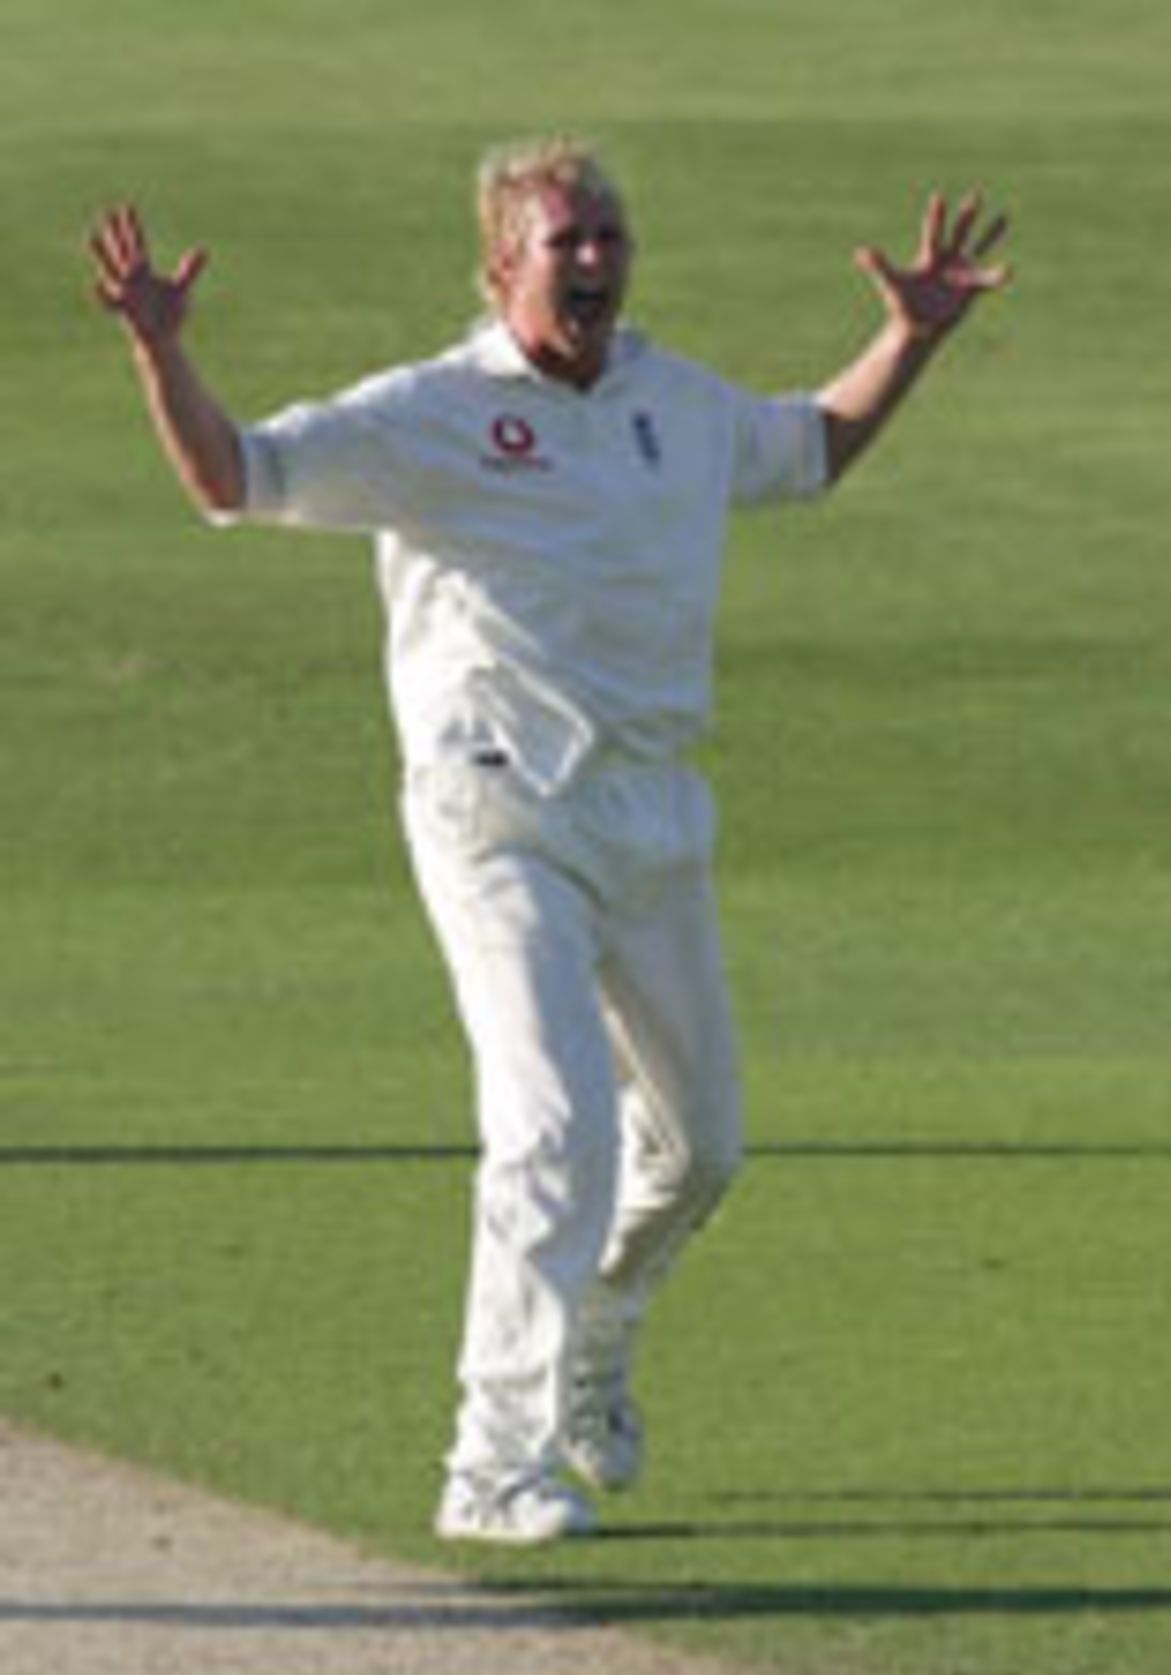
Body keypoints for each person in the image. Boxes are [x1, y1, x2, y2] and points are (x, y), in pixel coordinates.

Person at [90, 137, 1010, 1545]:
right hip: (496, 805)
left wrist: (906, 340)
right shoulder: (431, 413)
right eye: (566, 241)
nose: (595, 261)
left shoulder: (669, 399)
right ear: (501, 266)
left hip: (650, 809)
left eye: (610, 238)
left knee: (702, 1150)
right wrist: (162, 353)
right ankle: (489, 1464)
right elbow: (238, 478)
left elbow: (805, 449)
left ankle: (595, 1336)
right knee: (553, 1125)